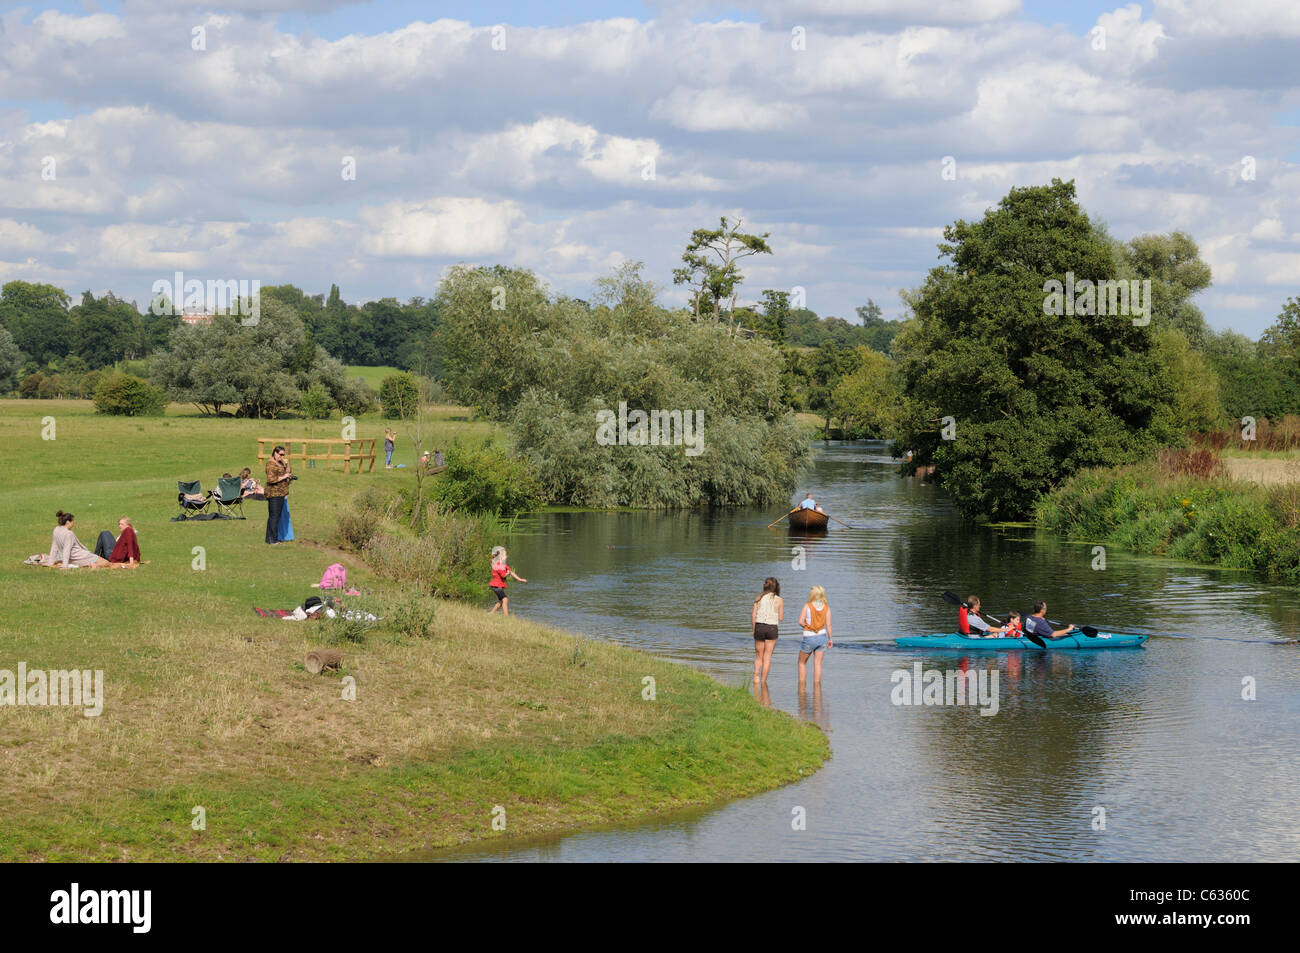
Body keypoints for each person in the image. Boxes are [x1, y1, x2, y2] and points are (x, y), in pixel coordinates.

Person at [35, 511, 108, 569]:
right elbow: (67, 550)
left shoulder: (56, 530)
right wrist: (64, 565)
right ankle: (93, 565)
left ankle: (90, 565)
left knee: (103, 561)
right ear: (68, 522)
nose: (74, 523)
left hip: (73, 558)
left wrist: (50, 562)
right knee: (106, 563)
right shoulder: (68, 533)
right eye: (73, 521)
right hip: (80, 556)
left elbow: (54, 547)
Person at [797, 585, 833, 685]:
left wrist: (807, 625)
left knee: (801, 662)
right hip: (822, 638)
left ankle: (802, 687)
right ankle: (817, 688)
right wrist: (830, 640)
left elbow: (800, 621)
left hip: (809, 637)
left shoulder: (807, 606)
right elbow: (829, 626)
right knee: (818, 664)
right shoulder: (826, 608)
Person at [750, 577, 784, 684]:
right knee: (767, 657)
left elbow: (753, 615)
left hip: (759, 626)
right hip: (772, 628)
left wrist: (754, 629)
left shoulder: (758, 598)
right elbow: (781, 618)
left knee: (759, 656)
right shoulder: (779, 600)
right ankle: (764, 682)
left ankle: (756, 677)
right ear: (776, 587)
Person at [264, 445, 292, 545]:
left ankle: (269, 538)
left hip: (280, 493)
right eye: (280, 454)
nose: (282, 457)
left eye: (283, 455)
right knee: (274, 516)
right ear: (275, 453)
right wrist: (284, 476)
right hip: (274, 493)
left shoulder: (280, 462)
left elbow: (288, 472)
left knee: (274, 516)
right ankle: (273, 540)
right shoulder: (270, 464)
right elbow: (271, 479)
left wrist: (287, 465)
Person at [488, 545, 526, 615]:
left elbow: (511, 572)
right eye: (505, 555)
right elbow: (503, 575)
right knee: (505, 599)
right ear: (500, 556)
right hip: (496, 586)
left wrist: (520, 579)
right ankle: (506, 617)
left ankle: (491, 613)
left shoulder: (503, 565)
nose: (507, 556)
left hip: (497, 586)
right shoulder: (498, 565)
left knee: (501, 601)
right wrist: (507, 573)